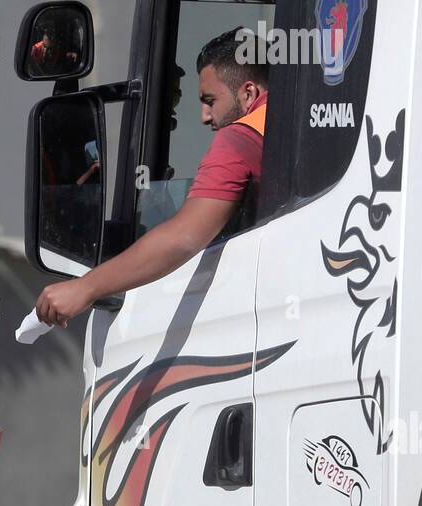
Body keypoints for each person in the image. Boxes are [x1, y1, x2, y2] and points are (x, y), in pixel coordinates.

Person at [35, 28, 268, 327]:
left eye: (210, 100)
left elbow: (184, 237)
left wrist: (85, 287)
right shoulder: (293, 128)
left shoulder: (238, 139)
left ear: (248, 94)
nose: (205, 116)